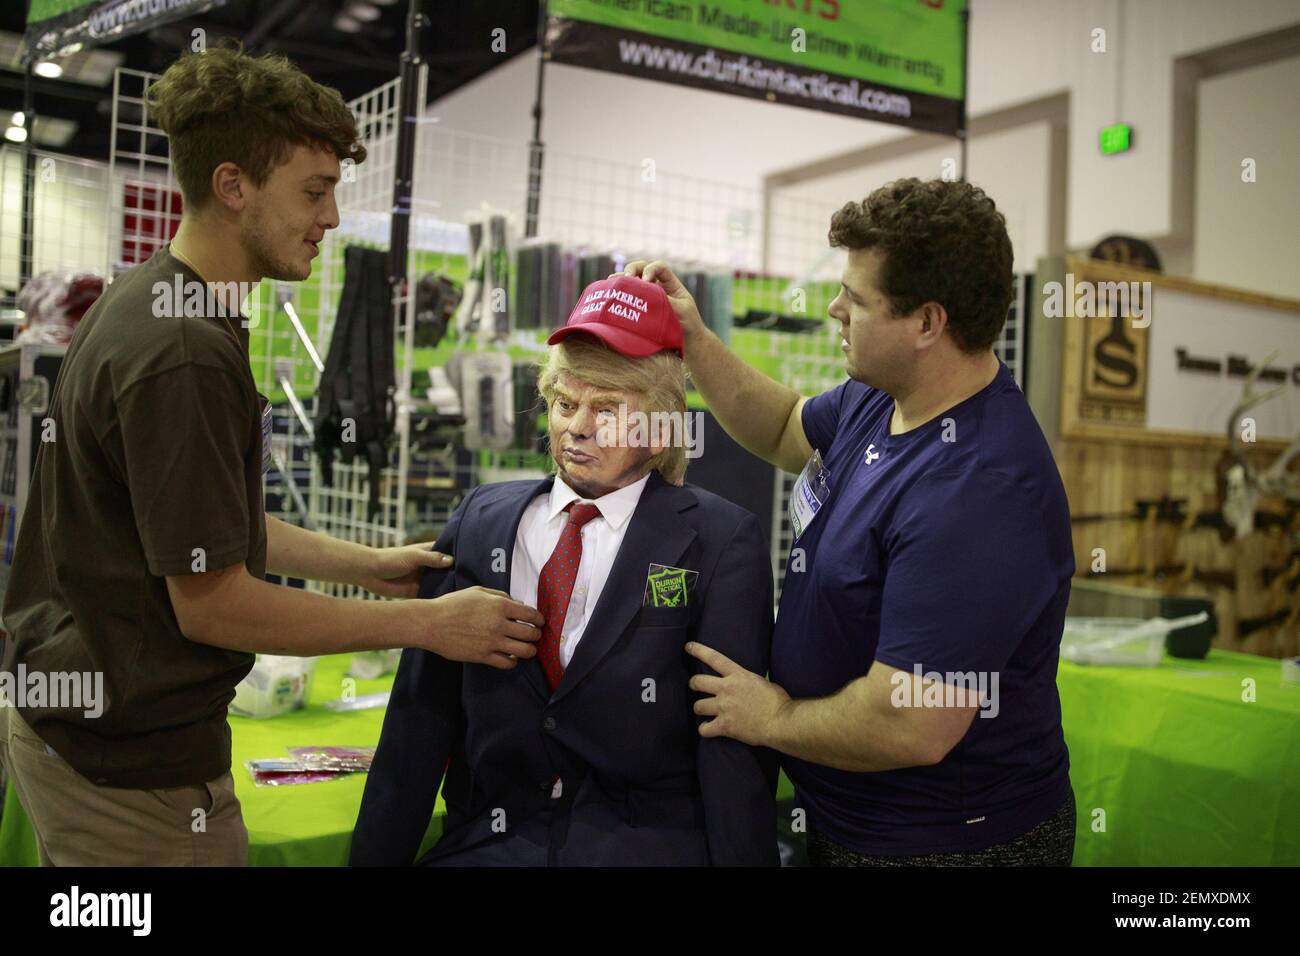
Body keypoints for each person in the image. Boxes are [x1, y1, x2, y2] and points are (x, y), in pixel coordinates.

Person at [0, 45, 541, 867]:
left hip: (82, 728)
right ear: (232, 185)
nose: (329, 218)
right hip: (129, 767)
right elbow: (213, 602)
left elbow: (202, 524)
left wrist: (367, 565)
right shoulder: (182, 348)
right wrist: (427, 624)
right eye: (314, 192)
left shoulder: (156, 298)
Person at [624, 177, 1077, 866]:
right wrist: (692, 338)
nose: (834, 308)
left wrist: (773, 717)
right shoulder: (883, 396)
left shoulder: (979, 492)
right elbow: (781, 427)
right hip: (845, 816)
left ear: (927, 323)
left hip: (940, 845)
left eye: (856, 299)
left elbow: (911, 724)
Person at [351, 275, 779, 866]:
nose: (577, 426)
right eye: (564, 402)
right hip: (489, 847)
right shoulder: (481, 518)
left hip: (644, 850)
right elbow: (419, 717)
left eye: (607, 408)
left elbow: (728, 739)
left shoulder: (720, 540)